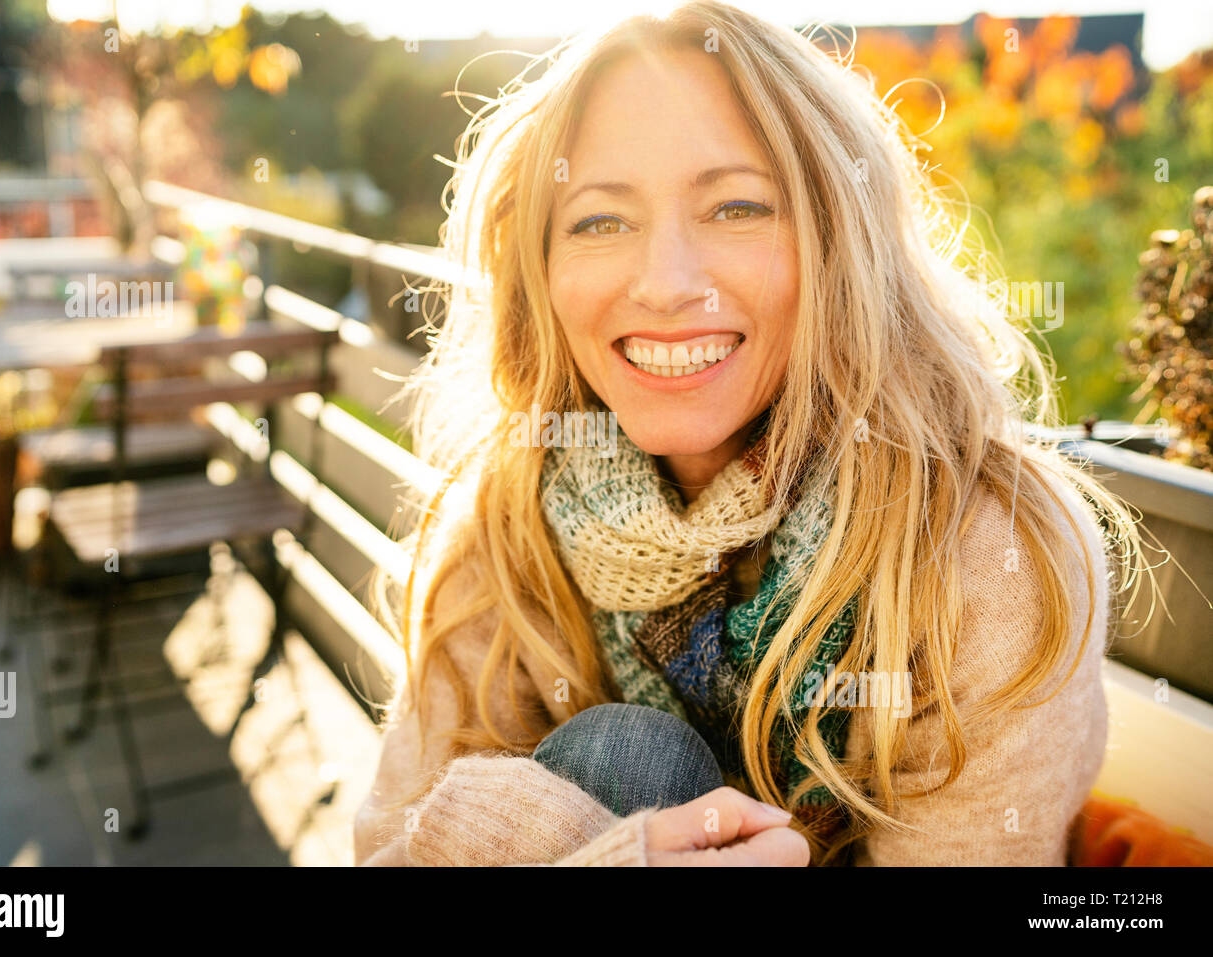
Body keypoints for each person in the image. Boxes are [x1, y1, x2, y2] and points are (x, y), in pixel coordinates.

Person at [352, 0, 1145, 867]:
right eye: (600, 220)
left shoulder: (988, 545)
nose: (664, 283)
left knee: (617, 758)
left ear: (840, 243)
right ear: (541, 271)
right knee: (616, 757)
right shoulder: (506, 531)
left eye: (736, 207)